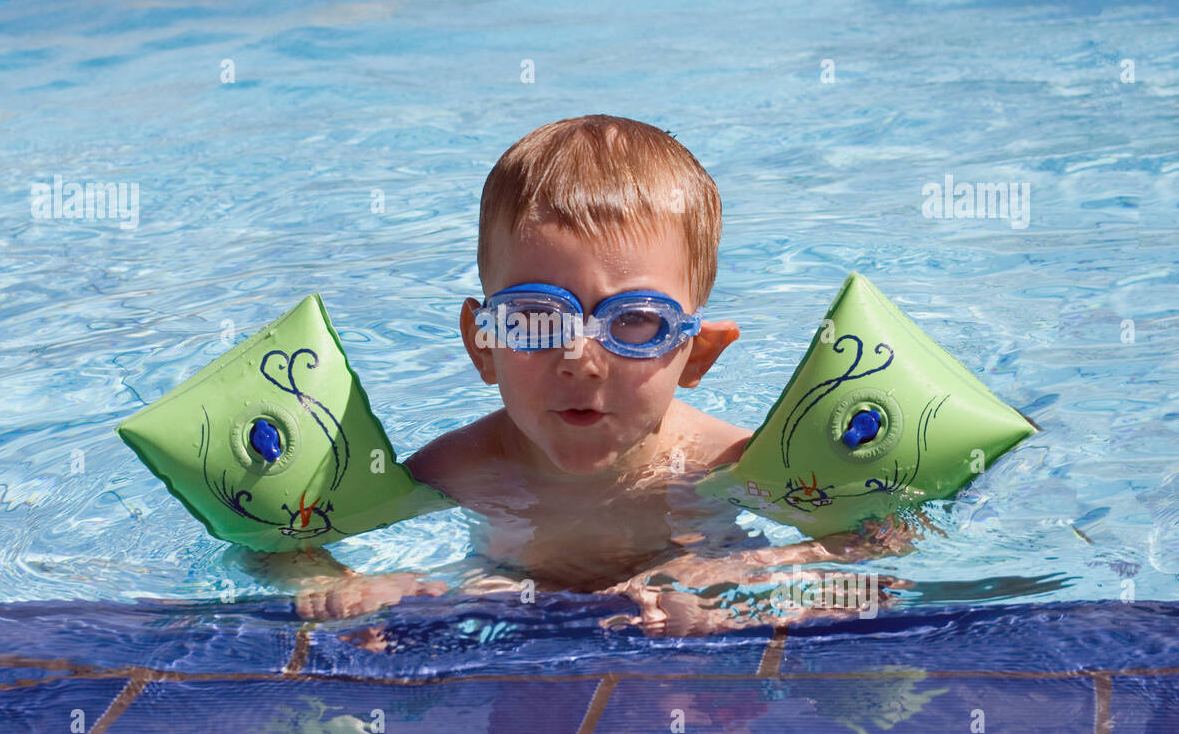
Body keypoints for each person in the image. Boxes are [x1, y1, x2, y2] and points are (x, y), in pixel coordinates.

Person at [292, 115, 917, 635]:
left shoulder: (723, 463)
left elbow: (884, 547)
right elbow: (281, 541)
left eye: (635, 321)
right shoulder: (459, 470)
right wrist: (339, 587)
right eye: (536, 316)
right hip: (509, 623)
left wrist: (749, 576)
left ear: (696, 354)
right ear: (483, 344)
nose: (580, 358)